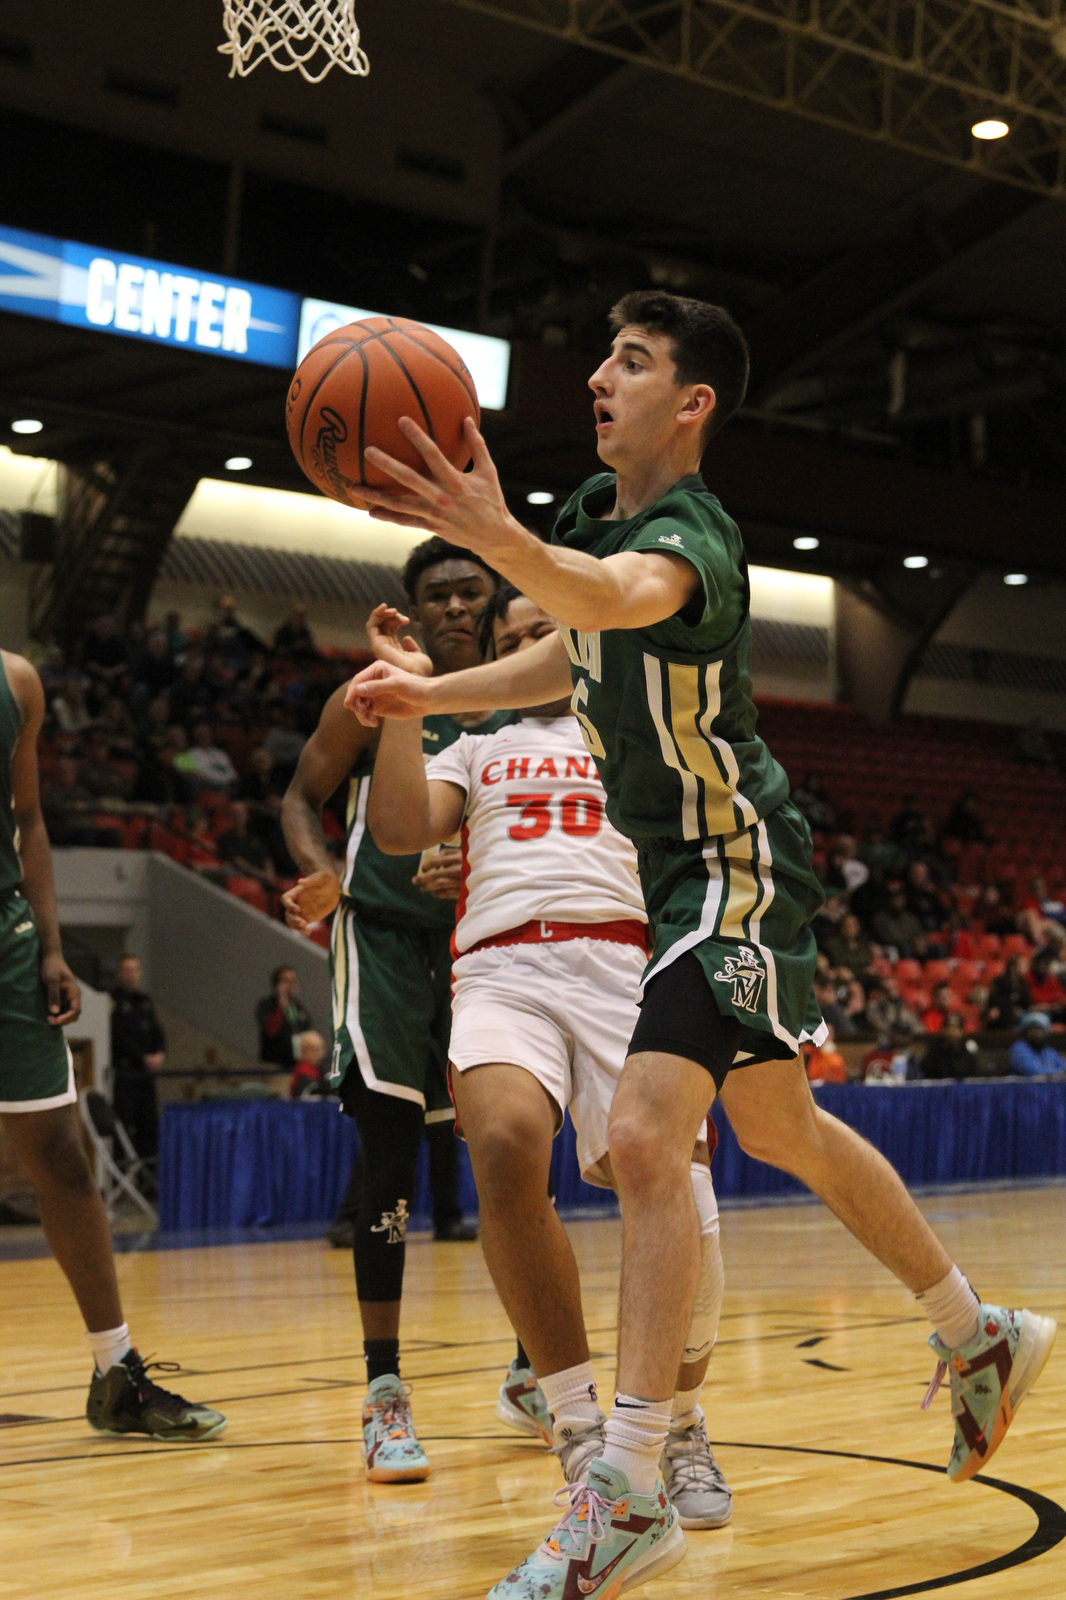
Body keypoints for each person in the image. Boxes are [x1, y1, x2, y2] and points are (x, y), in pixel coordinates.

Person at [346, 289, 1055, 1595]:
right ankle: (979, 1331)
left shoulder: (693, 537)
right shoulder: (582, 525)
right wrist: (432, 692)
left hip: (728, 864)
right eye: (602, 359)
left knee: (637, 1136)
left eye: (631, 362)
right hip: (673, 871)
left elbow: (615, 596)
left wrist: (488, 531)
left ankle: (623, 1479)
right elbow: (572, 650)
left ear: (691, 406)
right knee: (780, 1129)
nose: (598, 381)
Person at [366, 584, 732, 1527]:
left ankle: (682, 1425)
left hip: (624, 960)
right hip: (501, 967)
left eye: (545, 631)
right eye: (513, 636)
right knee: (503, 1144)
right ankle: (573, 1421)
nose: (531, 643)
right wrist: (405, 699)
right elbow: (403, 830)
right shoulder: (475, 746)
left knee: (682, 1199)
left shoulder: (634, 741)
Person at [280, 537, 514, 1484]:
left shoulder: (532, 697)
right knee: (388, 1149)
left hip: (486, 943)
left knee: (511, 1151)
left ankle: (537, 1371)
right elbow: (301, 795)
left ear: (495, 601)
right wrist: (322, 872)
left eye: (471, 592)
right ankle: (384, 1395)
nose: (456, 606)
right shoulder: (373, 695)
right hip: (379, 937)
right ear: (412, 611)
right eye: (438, 595)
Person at [0, 648, 225, 1440]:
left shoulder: (16, 682)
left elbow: (27, 820)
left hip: (7, 942)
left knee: (61, 1155)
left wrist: (53, 947)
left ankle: (115, 1370)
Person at [110, 953, 166, 1161]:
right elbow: (119, 1036)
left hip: (145, 1076)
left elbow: (156, 1032)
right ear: (119, 973)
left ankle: (148, 1180)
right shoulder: (112, 1001)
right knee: (124, 1125)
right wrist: (141, 1057)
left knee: (148, 1125)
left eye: (134, 970)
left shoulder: (144, 1001)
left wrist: (159, 1053)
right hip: (126, 1074)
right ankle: (121, 1176)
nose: (130, 975)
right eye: (126, 970)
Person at [256, 966, 313, 1068]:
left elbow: (307, 1032)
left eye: (294, 981)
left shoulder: (298, 1008)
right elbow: (270, 1030)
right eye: (287, 981)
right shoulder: (267, 1005)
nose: (292, 984)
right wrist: (282, 1006)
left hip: (295, 1065)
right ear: (277, 984)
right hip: (274, 1065)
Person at [920, 1015, 980, 1081]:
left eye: (956, 1027)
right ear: (943, 1030)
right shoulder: (933, 1056)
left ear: (962, 1031)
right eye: (949, 1027)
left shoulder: (969, 1058)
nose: (952, 1031)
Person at [1008, 1012, 1066, 1077]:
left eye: (1039, 1029)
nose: (1036, 1033)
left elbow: (1063, 1066)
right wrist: (1058, 1073)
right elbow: (1031, 1071)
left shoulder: (1048, 1051)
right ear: (1025, 1032)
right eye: (1032, 1029)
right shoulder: (1019, 1048)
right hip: (1025, 1086)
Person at [290, 1029, 328, 1097]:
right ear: (302, 1050)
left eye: (321, 1048)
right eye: (314, 1049)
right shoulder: (304, 1075)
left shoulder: (321, 1071)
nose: (320, 1053)